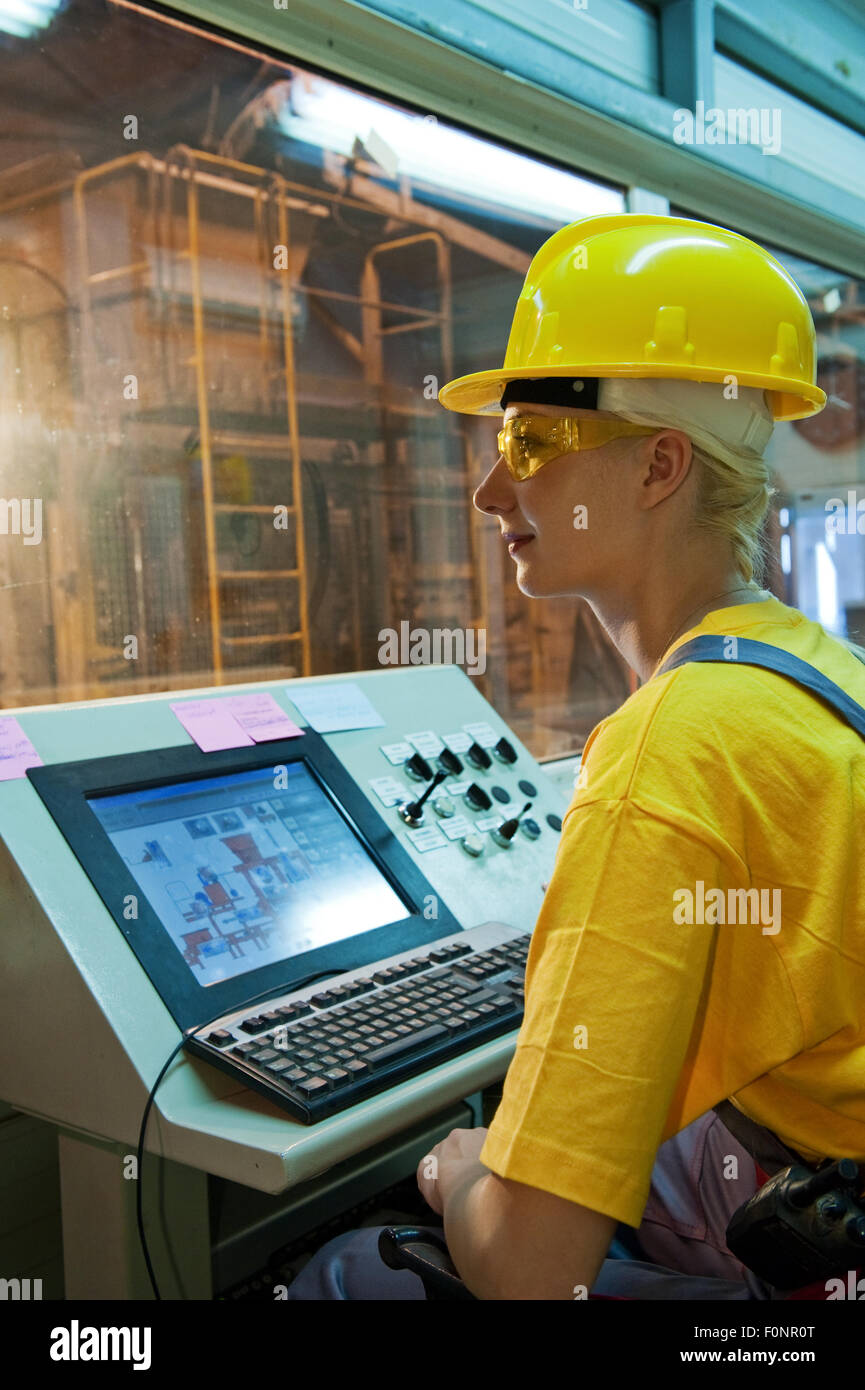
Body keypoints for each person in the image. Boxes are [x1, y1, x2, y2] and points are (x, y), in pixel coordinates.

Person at [286, 214, 865, 1300]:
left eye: (529, 444)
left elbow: (530, 1275)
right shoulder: (819, 674)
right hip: (823, 1174)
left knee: (351, 1270)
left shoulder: (667, 751)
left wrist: (461, 1176)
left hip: (818, 1265)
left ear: (657, 464)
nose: (489, 494)